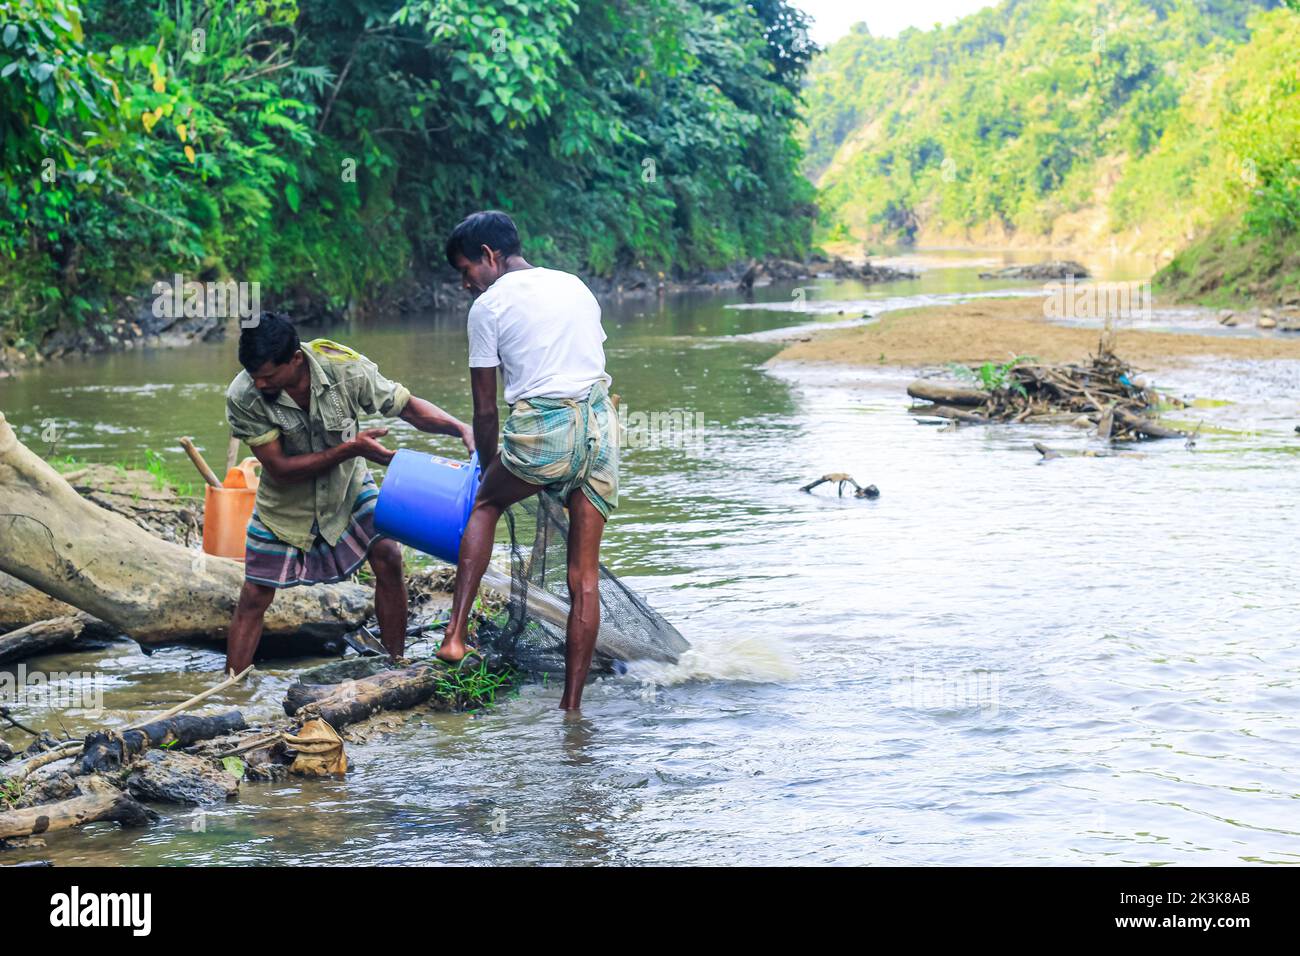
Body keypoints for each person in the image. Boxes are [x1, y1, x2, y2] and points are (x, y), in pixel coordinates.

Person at [223, 312, 473, 675]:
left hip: (348, 487)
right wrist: (350, 449)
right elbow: (280, 469)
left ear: (295, 359)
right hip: (285, 504)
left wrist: (460, 428)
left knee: (388, 555)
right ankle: (233, 685)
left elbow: (405, 406)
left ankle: (395, 665)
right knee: (256, 593)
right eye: (254, 376)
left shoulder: (344, 369)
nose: (260, 383)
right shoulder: (244, 395)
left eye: (268, 375)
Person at [440, 210, 618, 711]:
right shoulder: (574, 284)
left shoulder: (488, 307)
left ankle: (454, 636)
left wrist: (489, 467)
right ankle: (572, 709)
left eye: (465, 270)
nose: (464, 283)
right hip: (600, 428)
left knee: (484, 506)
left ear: (489, 257)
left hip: (545, 429)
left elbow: (485, 408)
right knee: (584, 578)